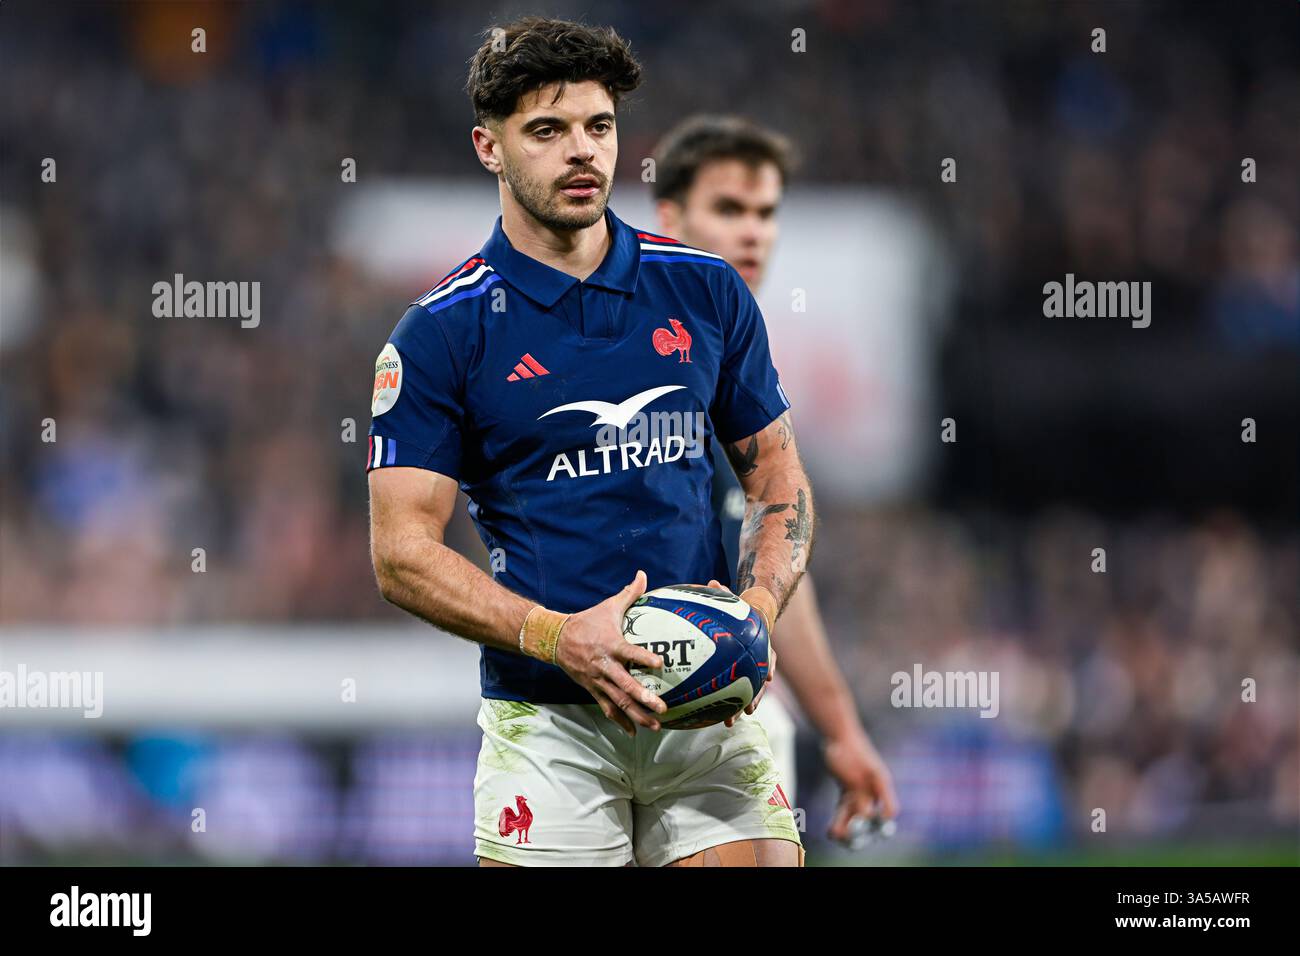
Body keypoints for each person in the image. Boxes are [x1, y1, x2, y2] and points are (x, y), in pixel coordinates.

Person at [366, 18, 809, 867]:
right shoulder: (438, 335)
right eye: (547, 130)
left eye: (598, 127)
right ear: (488, 148)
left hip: (705, 714)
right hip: (549, 722)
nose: (582, 152)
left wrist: (755, 614)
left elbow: (778, 476)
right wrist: (557, 637)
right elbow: (401, 554)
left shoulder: (704, 288)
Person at [650, 116, 899, 842]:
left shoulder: (737, 355)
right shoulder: (636, 354)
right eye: (728, 210)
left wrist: (842, 730)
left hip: (725, 701)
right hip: (615, 707)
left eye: (765, 213)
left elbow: (784, 567)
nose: (754, 232)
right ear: (670, 217)